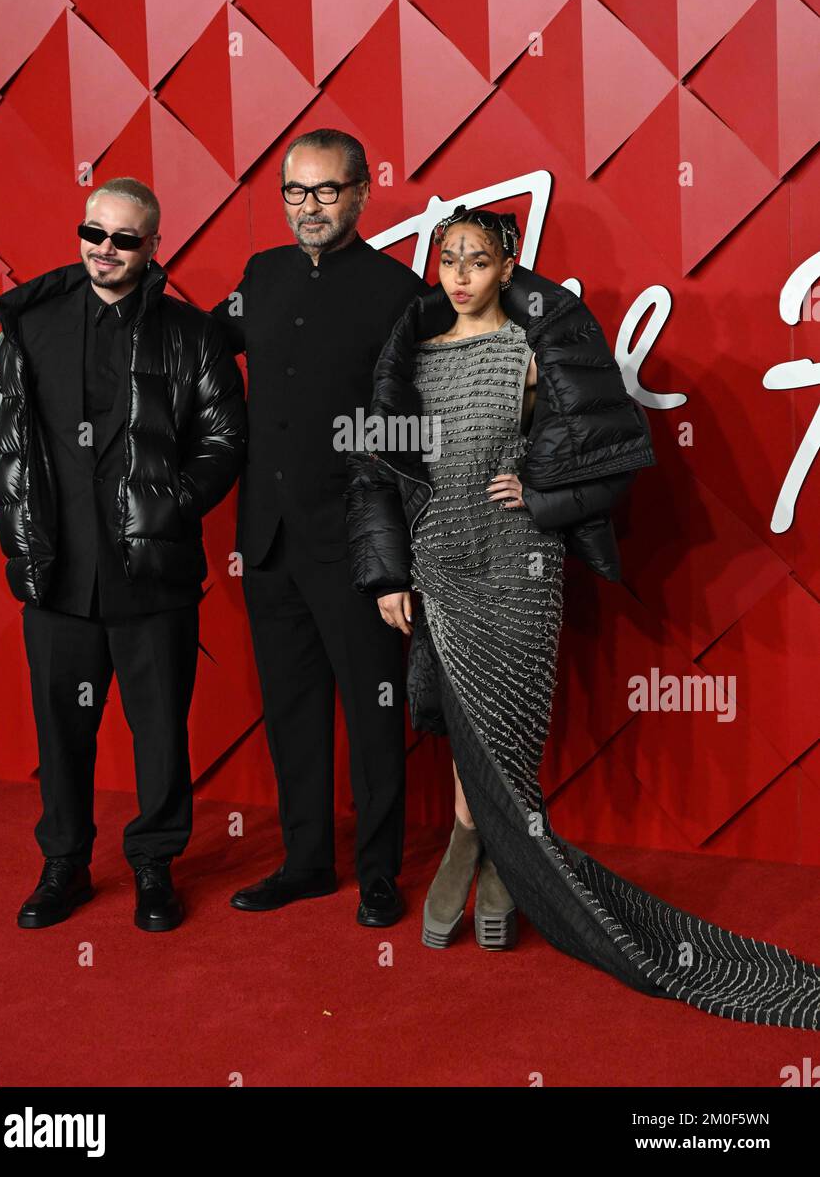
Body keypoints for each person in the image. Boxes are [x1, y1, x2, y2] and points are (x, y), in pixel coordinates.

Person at [345, 204, 820, 1030]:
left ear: (509, 264)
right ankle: (477, 843)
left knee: (510, 719)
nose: (460, 275)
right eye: (448, 259)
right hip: (440, 568)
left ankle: (491, 853)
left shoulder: (538, 350)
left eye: (478, 260)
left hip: (520, 567)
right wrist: (387, 574)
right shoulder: (409, 355)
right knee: (467, 720)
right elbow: (375, 476)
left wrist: (540, 497)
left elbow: (617, 451)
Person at [0, 177, 247, 933]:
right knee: (61, 731)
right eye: (94, 233)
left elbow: (225, 436)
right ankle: (64, 863)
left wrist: (172, 505)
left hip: (152, 572)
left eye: (124, 239)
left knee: (160, 731)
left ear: (154, 245)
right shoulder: (30, 324)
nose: (105, 250)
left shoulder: (192, 334)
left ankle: (155, 864)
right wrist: (17, 518)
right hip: (56, 572)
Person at [210, 129, 422, 927]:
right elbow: (197, 344)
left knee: (373, 712)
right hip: (267, 539)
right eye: (295, 192)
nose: (309, 206)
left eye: (327, 190)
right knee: (292, 709)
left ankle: (379, 872)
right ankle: (304, 863)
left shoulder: (398, 293)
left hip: (357, 545)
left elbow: (415, 429)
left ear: (361, 193)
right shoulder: (261, 276)